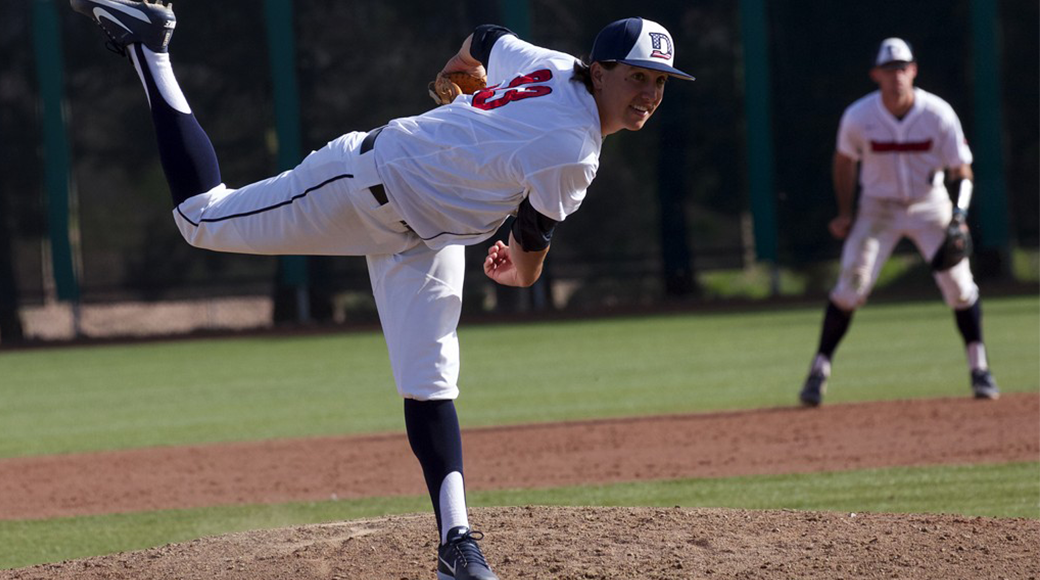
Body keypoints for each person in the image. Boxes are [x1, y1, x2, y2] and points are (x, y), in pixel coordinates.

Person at [69, 2, 695, 577]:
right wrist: (511, 268)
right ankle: (150, 48)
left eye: (660, 82)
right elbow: (527, 266)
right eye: (637, 76)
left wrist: (459, 72)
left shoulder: (554, 66)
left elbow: (485, 38)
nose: (649, 93)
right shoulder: (573, 150)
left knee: (430, 380)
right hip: (362, 187)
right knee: (201, 219)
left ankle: (457, 543)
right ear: (602, 71)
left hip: (431, 231)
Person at [799, 37, 999, 407]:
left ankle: (980, 369)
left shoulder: (938, 114)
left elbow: (962, 170)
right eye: (889, 70)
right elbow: (844, 162)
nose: (897, 77)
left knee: (959, 288)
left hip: (930, 204)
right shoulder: (859, 116)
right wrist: (846, 213)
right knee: (850, 290)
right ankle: (818, 372)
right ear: (876, 74)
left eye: (903, 68)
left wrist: (960, 214)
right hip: (878, 209)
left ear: (914, 71)